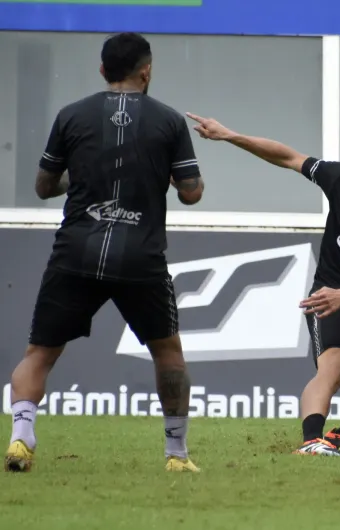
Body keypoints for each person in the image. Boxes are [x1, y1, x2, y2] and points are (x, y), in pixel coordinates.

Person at [4, 33, 204, 473]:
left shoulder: (71, 115)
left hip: (76, 251)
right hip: (141, 256)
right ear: (146, 70)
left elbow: (42, 188)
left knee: (39, 353)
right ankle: (176, 454)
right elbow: (191, 193)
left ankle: (21, 438)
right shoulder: (169, 122)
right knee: (168, 354)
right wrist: (167, 172)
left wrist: (77, 176)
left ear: (102, 71)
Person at [186, 113, 340, 456]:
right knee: (333, 368)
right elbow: (287, 156)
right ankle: (310, 443)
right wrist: (229, 135)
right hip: (327, 299)